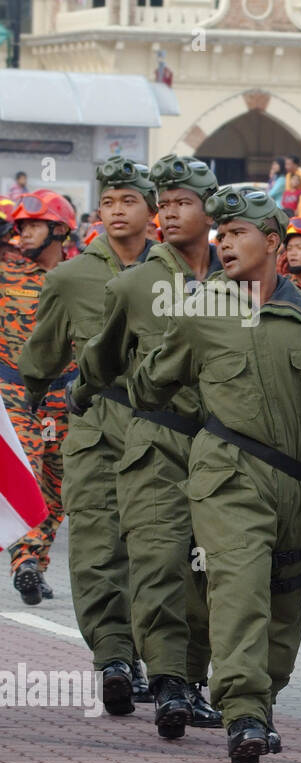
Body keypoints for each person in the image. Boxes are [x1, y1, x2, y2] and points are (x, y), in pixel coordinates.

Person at [126, 185, 301, 763]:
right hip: (227, 475)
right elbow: (150, 384)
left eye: (238, 234)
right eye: (221, 235)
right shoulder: (201, 310)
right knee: (238, 585)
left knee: (284, 602)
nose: (225, 244)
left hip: (299, 486)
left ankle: (265, 699)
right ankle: (245, 712)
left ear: (274, 243)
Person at [71, 155, 223, 739]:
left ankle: (194, 676)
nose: (171, 214)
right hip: (153, 442)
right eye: (164, 204)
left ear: (210, 209)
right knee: (156, 562)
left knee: (210, 573)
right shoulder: (133, 285)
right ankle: (166, 683)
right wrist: (83, 395)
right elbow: (99, 360)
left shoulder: (238, 281)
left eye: (184, 202)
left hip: (222, 451)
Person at [19, 158, 158, 714]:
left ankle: (167, 664)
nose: (118, 210)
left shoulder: (183, 276)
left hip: (166, 432)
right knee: (99, 545)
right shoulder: (70, 278)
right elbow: (41, 357)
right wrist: (30, 394)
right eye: (109, 201)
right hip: (97, 428)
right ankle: (114, 655)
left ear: (153, 209)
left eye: (130, 200)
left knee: (160, 552)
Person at [3, 190, 76, 606]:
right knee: (25, 475)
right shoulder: (6, 274)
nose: (23, 234)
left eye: (32, 225)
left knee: (58, 489)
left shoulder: (81, 279)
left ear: (59, 230)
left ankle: (37, 564)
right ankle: (24, 562)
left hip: (65, 397)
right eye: (19, 227)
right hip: (14, 393)